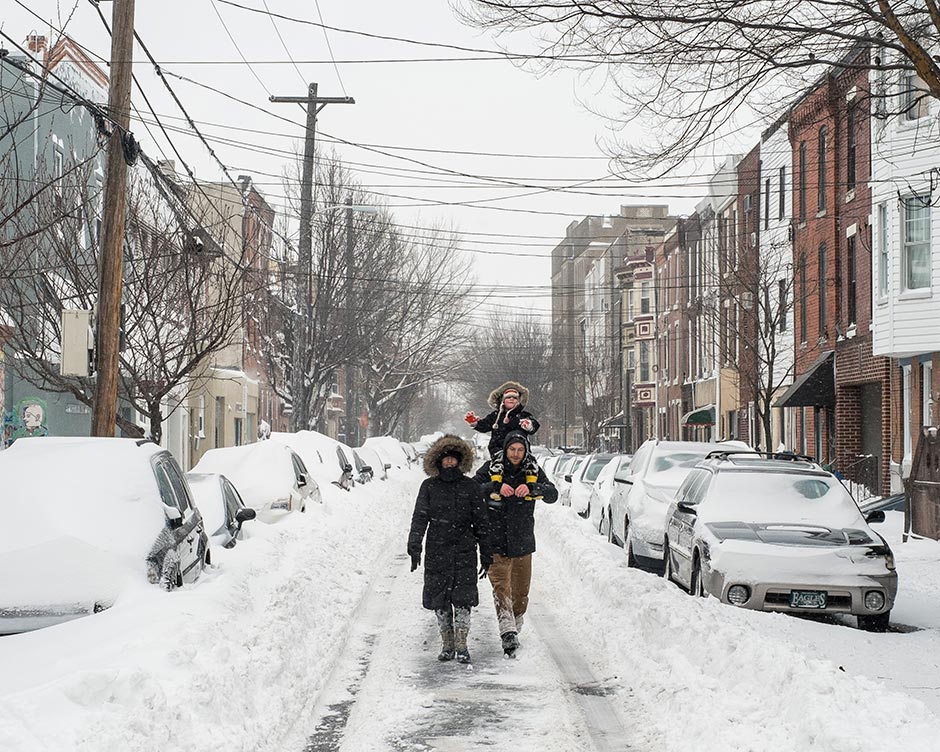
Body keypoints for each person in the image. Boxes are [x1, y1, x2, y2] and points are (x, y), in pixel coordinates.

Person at [408, 435, 491, 664]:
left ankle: (462, 644)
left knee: (463, 598)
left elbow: (482, 521)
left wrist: (486, 552)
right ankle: (447, 643)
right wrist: (414, 545)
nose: (450, 463)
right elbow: (420, 517)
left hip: (464, 550)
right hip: (437, 550)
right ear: (438, 461)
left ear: (460, 461)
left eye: (454, 459)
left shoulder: (470, 487)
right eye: (446, 459)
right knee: (440, 599)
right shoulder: (429, 487)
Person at [473, 431, 557, 657]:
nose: (516, 454)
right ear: (506, 449)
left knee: (520, 592)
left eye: (520, 450)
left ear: (525, 451)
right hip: (495, 538)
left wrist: (533, 489)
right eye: (512, 449)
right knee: (501, 586)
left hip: (522, 539)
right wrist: (495, 487)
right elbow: (472, 489)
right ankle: (507, 629)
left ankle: (515, 619)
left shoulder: (533, 469)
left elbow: (553, 494)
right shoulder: (491, 468)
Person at [465, 380, 540, 458]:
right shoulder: (495, 416)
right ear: (502, 401)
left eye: (515, 398)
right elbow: (485, 425)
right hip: (499, 452)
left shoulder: (523, 415)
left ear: (518, 401)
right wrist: (475, 423)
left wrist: (529, 426)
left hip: (521, 454)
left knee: (532, 465)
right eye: (508, 397)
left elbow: (535, 425)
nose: (511, 399)